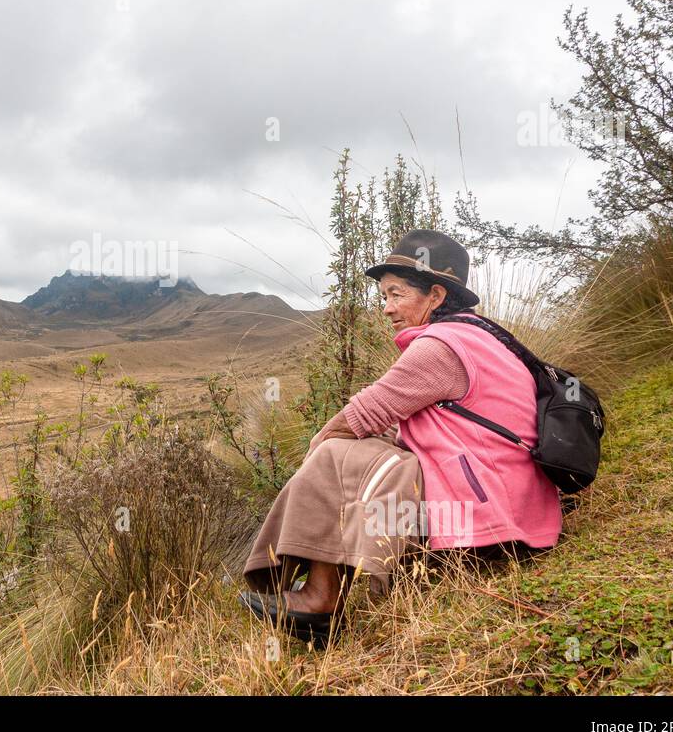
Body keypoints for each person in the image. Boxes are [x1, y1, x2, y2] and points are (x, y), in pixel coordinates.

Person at [238, 229, 561, 642]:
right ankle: (318, 587)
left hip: (488, 515)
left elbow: (360, 415)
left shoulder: (439, 347)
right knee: (375, 455)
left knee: (338, 452)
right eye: (384, 297)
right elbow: (408, 421)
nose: (387, 309)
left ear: (436, 297)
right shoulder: (480, 337)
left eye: (396, 294)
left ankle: (320, 599)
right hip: (517, 505)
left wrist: (313, 465)